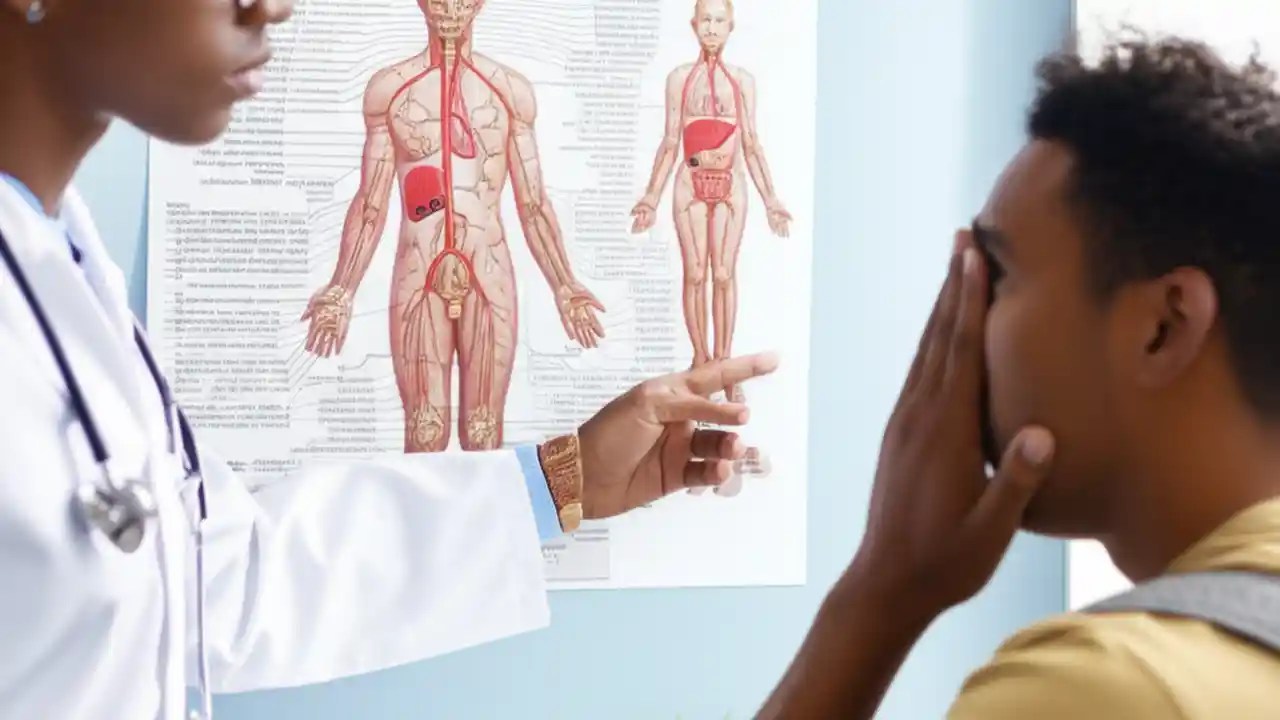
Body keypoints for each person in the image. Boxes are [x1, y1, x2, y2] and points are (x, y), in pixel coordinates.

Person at [0, 1, 777, 718]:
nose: (271, 5)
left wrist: (562, 480)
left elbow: (215, 583)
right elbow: (373, 201)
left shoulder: (58, 261)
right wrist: (341, 288)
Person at [758, 34, 1280, 719]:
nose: (958, 326)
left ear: (1165, 326)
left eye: (993, 276)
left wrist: (880, 595)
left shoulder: (1099, 689)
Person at [300, 0, 606, 453]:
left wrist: (565, 284)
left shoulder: (510, 93)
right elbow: (371, 202)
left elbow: (533, 203)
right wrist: (341, 289)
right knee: (425, 430)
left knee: (484, 430)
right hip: (418, 269)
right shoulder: (390, 90)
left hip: (488, 264)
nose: (450, 9)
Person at [630, 0, 791, 404]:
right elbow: (670, 140)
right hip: (690, 182)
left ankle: (724, 361)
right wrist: (650, 196)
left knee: (723, 273)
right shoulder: (679, 78)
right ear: (694, 25)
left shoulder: (743, 80)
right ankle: (701, 359)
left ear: (731, 26)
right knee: (696, 273)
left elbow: (751, 143)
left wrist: (772, 199)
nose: (713, 29)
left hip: (732, 183)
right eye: (706, 21)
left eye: (720, 21)